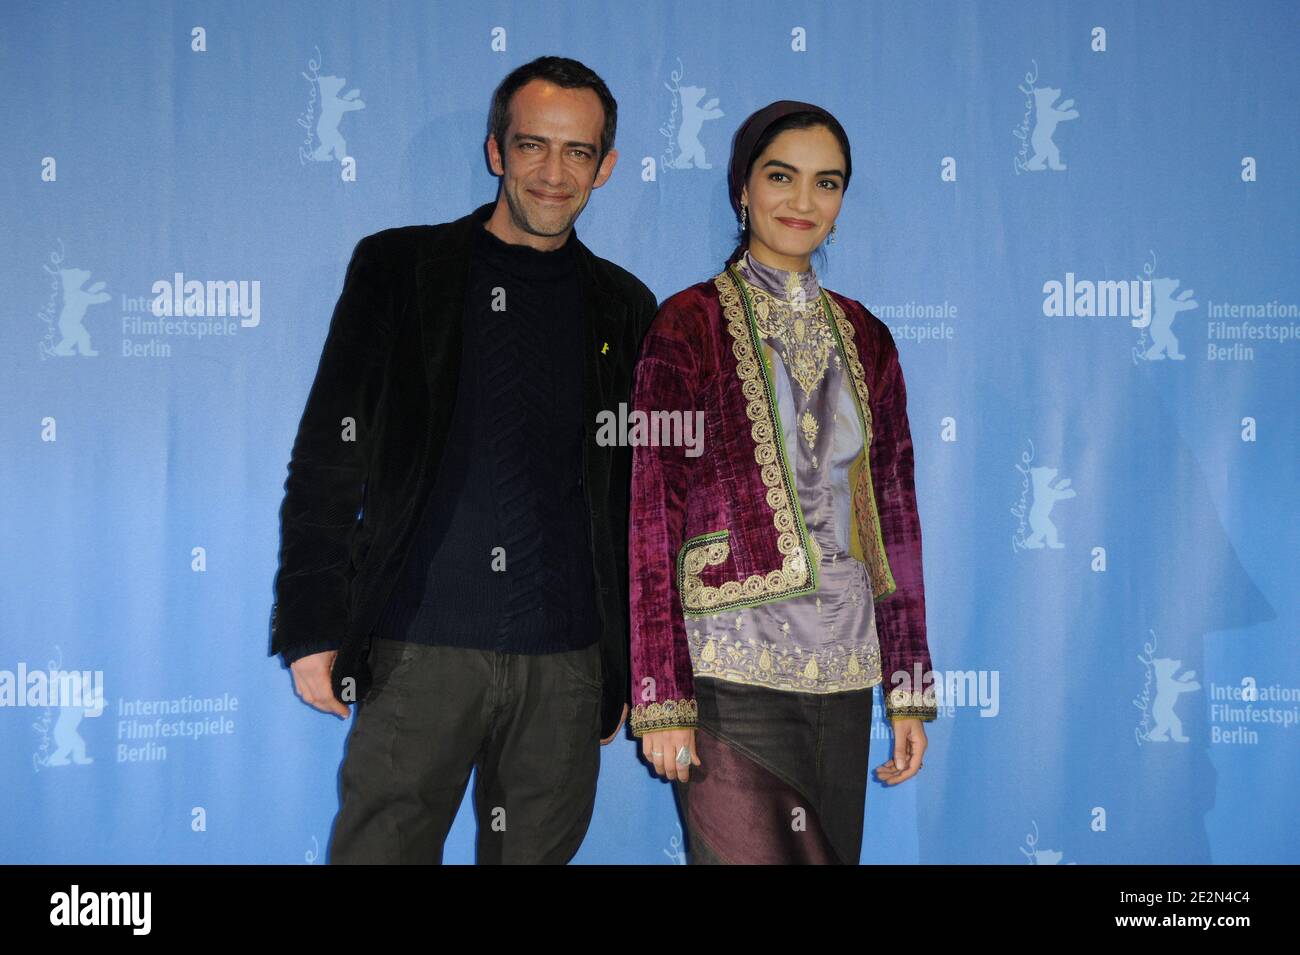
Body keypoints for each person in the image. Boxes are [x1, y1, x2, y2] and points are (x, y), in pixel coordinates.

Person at [269, 56, 657, 863]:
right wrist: (311, 624)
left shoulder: (626, 304)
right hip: (419, 652)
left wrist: (625, 662)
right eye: (532, 146)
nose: (554, 173)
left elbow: (633, 495)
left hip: (567, 664)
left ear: (607, 166)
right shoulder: (401, 269)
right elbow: (328, 453)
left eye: (577, 152)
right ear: (496, 152)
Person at [628, 100, 938, 864]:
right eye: (781, 177)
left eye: (826, 183)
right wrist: (661, 692)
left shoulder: (867, 334)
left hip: (844, 662)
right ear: (742, 188)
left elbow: (893, 514)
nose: (804, 202)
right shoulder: (686, 324)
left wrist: (907, 684)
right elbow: (648, 515)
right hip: (730, 665)